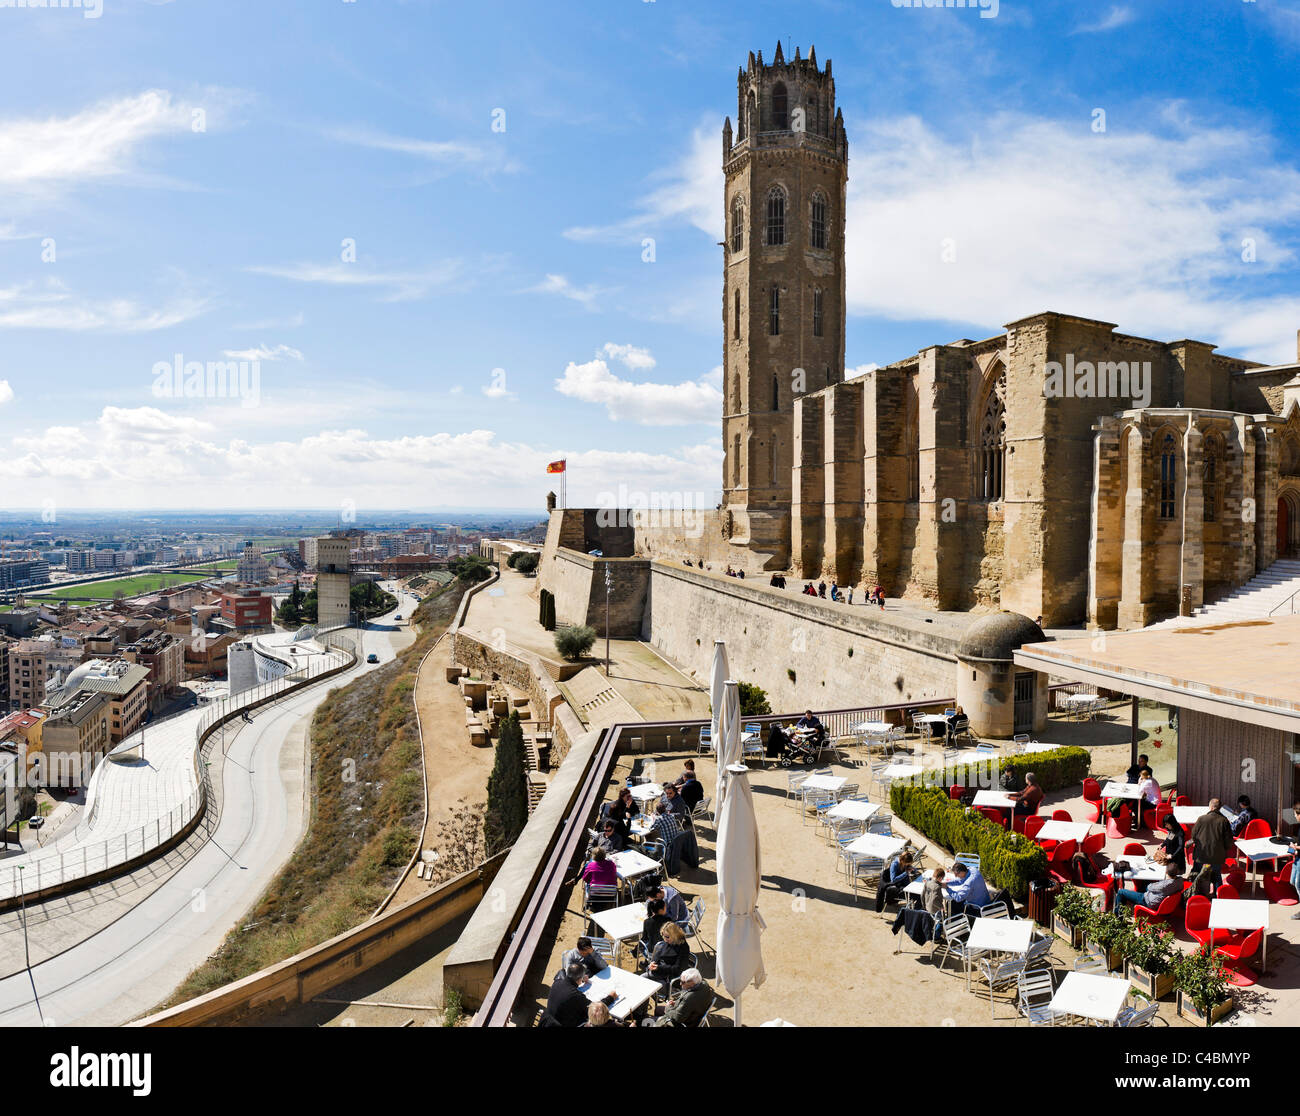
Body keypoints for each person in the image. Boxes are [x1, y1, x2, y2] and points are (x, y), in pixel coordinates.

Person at [641, 968, 713, 1027]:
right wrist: (678, 1003)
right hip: (695, 1014)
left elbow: (677, 1018)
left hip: (687, 1023)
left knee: (646, 1021)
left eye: (683, 982)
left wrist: (668, 1007)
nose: (680, 984)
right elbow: (689, 1004)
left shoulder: (688, 998)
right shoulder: (704, 985)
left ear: (692, 983)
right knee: (657, 1009)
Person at [1190, 797, 1234, 889]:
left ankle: (1196, 896)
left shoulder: (1201, 819)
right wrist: (1223, 850)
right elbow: (1229, 841)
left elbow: (1193, 836)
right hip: (1217, 856)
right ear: (1219, 808)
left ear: (1210, 807)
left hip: (1200, 856)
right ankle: (1217, 897)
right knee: (1217, 877)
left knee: (1197, 876)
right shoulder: (1224, 821)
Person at [543, 962, 600, 1027]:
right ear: (580, 979)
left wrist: (581, 979)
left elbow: (563, 974)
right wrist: (611, 997)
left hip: (548, 1021)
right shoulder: (576, 995)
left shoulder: (557, 982)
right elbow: (595, 1008)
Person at [1114, 863, 1181, 914]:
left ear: (1166, 872)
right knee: (1145, 882)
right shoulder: (1180, 882)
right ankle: (1128, 900)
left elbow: (1150, 887)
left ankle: (1118, 916)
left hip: (1148, 901)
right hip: (1161, 899)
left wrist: (1156, 883)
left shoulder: (1164, 885)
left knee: (1121, 892)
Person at [647, 921, 689, 990]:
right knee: (643, 980)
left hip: (670, 979)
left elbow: (678, 969)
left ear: (674, 935)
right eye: (662, 935)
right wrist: (652, 964)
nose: (664, 938)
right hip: (659, 974)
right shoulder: (667, 942)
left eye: (667, 936)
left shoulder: (683, 947)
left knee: (648, 986)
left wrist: (659, 968)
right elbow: (658, 957)